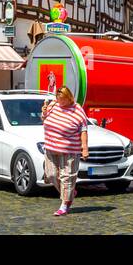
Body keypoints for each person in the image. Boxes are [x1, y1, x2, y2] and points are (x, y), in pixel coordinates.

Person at [41, 86, 89, 217]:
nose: (60, 102)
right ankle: (69, 192)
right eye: (58, 99)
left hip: (69, 151)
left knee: (66, 177)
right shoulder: (53, 105)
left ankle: (64, 205)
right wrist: (44, 113)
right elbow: (44, 120)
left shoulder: (77, 110)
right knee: (50, 175)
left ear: (69, 98)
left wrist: (84, 148)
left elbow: (83, 129)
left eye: (63, 100)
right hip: (51, 148)